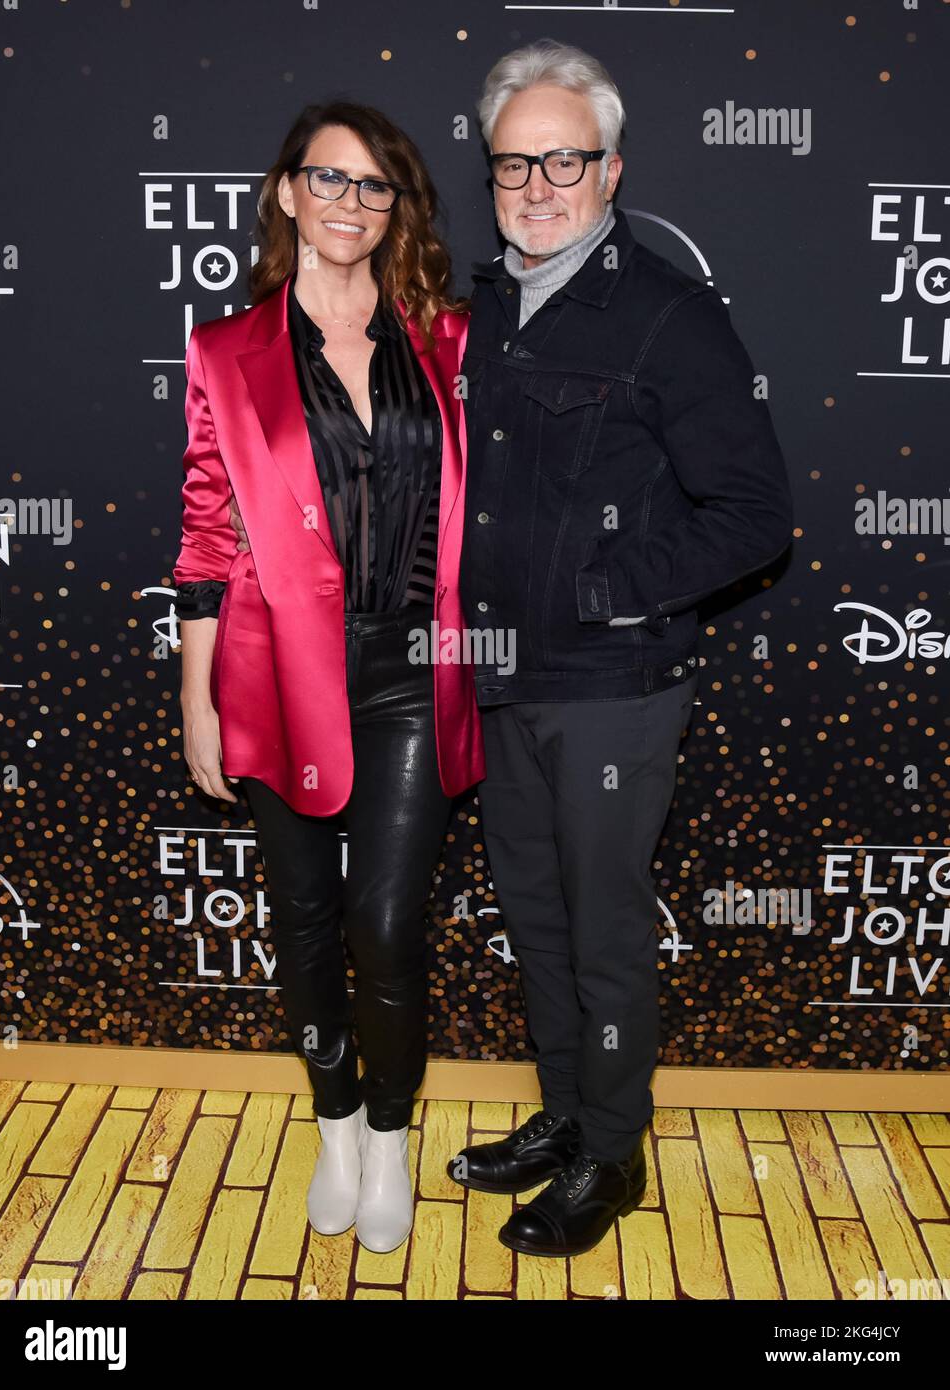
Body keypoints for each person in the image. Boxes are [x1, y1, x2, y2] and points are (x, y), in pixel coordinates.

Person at [445, 39, 794, 1258]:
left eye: (564, 160)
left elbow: (756, 516)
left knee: (601, 934)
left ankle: (613, 1153)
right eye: (511, 165)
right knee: (535, 919)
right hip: (497, 679)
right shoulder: (480, 307)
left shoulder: (669, 315)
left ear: (611, 168)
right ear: (487, 177)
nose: (537, 185)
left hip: (610, 688)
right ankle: (565, 1115)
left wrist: (604, 591)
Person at [173, 101, 484, 1255]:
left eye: (374, 185)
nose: (350, 202)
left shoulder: (446, 337)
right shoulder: (226, 350)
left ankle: (394, 1134)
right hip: (273, 670)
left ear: (395, 205)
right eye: (329, 179)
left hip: (412, 663)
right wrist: (196, 698)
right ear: (289, 192)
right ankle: (338, 1124)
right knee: (304, 926)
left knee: (388, 923)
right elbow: (207, 540)